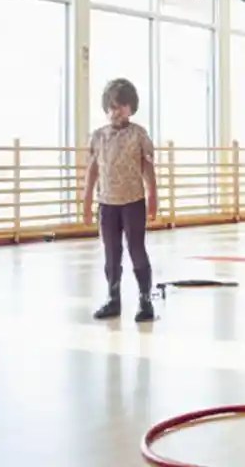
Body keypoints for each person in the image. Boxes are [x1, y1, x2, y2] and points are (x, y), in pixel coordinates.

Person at [83, 78, 159, 323]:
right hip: (107, 204)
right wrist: (86, 202)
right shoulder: (98, 137)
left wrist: (153, 196)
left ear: (131, 108)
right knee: (111, 254)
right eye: (112, 106)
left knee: (137, 250)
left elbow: (148, 168)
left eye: (122, 106)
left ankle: (145, 299)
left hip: (133, 202)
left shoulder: (139, 135)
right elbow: (92, 171)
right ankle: (113, 298)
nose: (116, 111)